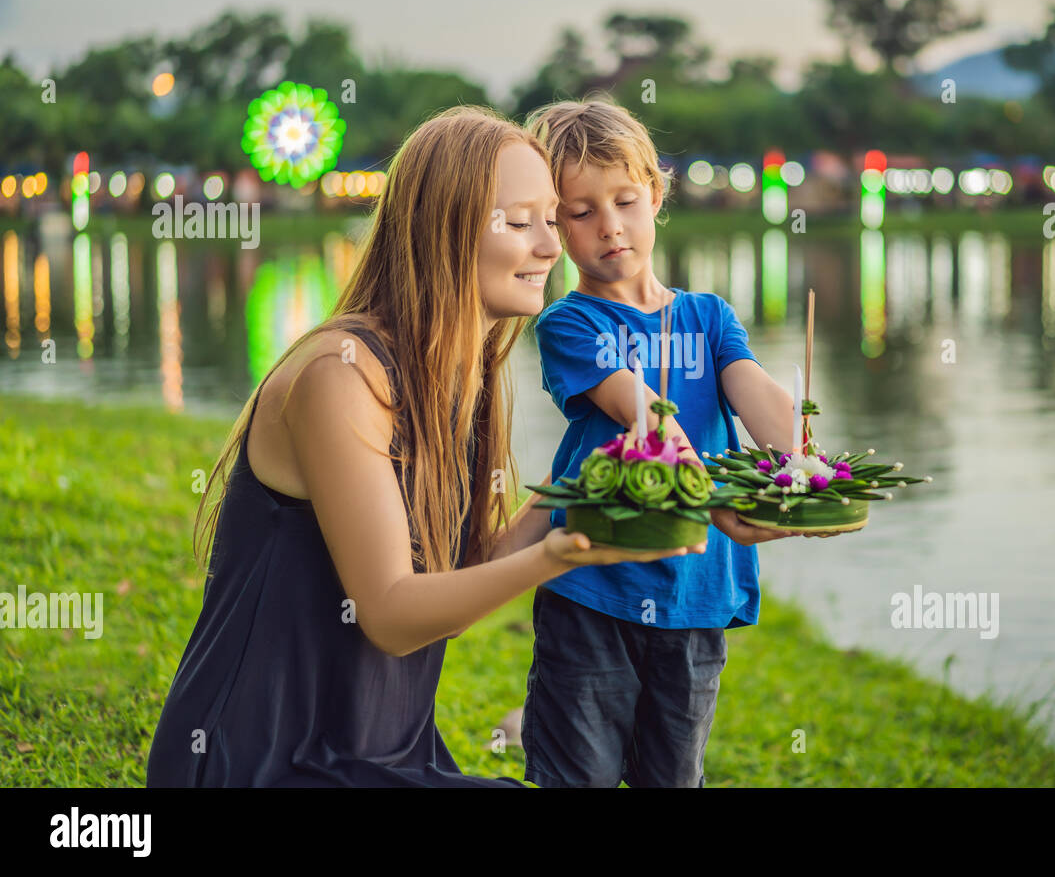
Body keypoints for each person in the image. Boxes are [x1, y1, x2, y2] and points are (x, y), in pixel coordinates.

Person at [145, 105, 704, 788]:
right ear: (444, 228)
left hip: (387, 758)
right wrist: (565, 553)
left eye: (551, 220)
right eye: (521, 221)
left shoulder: (450, 380)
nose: (553, 247)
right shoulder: (341, 375)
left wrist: (582, 494)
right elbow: (391, 614)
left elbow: (453, 588)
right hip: (262, 761)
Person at [519, 96, 836, 789]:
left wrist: (803, 466)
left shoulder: (709, 316)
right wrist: (711, 491)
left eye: (626, 201)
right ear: (554, 222)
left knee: (674, 776)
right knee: (580, 774)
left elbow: (756, 394)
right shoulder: (568, 324)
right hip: (595, 586)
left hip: (696, 590)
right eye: (580, 212)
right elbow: (641, 409)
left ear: (656, 196)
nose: (610, 227)